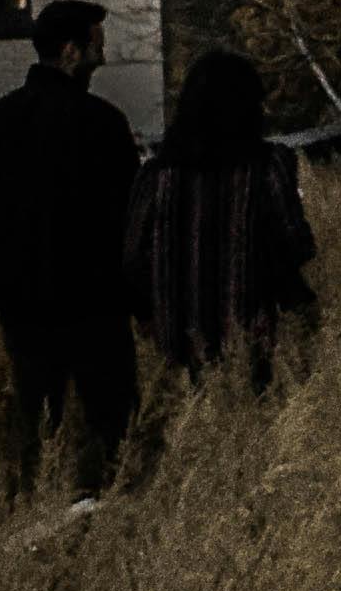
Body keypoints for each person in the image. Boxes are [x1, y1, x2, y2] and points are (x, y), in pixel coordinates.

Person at [0, 0, 140, 482]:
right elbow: (135, 217)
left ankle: (33, 502)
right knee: (111, 416)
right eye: (97, 45)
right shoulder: (104, 124)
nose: (104, 56)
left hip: (23, 300)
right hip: (96, 298)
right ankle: (104, 501)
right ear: (72, 52)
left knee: (35, 412)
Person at [126, 48, 317, 381]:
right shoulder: (268, 167)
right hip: (247, 337)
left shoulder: (157, 176)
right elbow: (296, 243)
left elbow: (132, 257)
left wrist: (149, 312)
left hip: (175, 344)